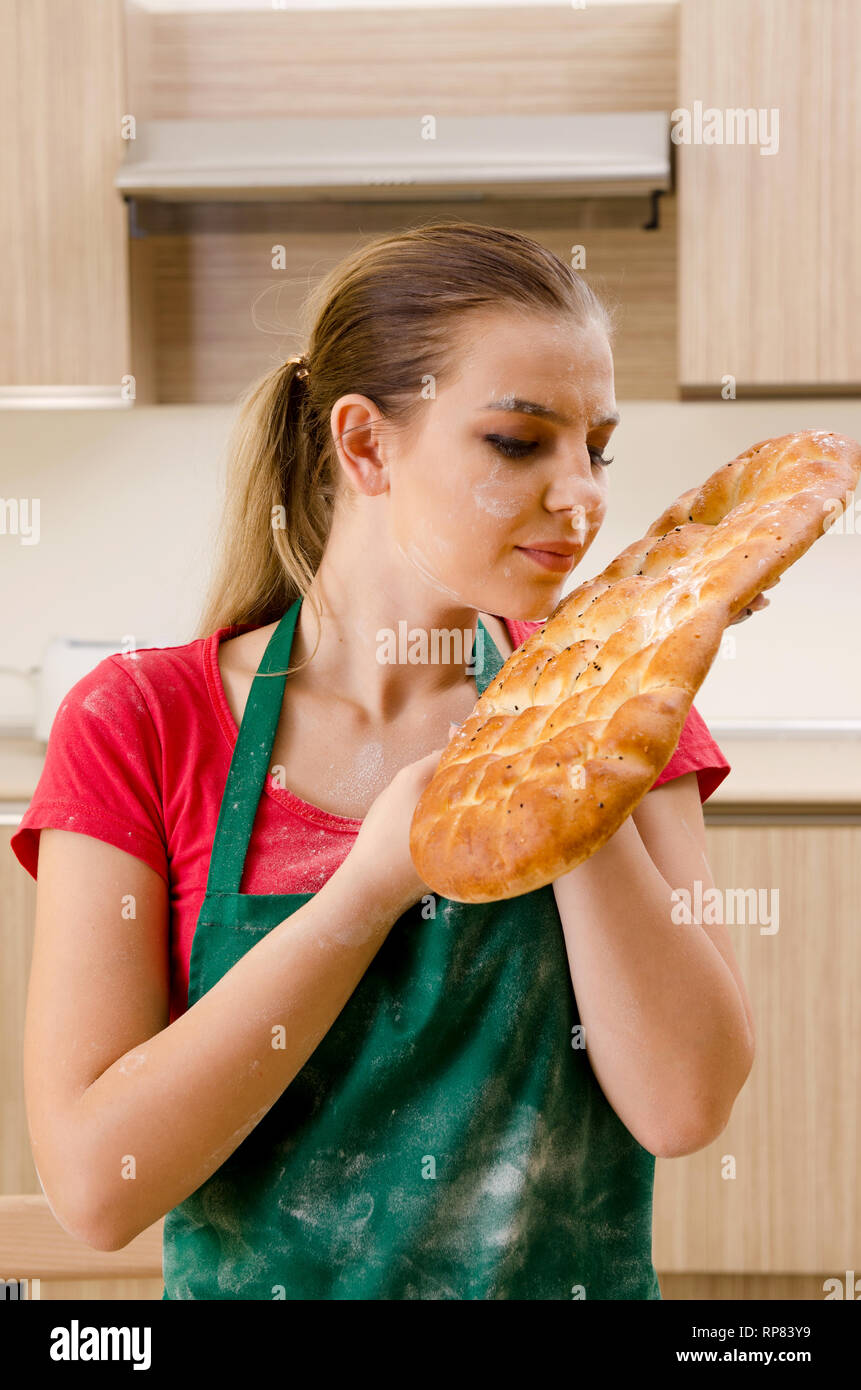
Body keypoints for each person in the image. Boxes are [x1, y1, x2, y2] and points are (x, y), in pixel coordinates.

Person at [13, 221, 761, 1300]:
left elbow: (685, 1104)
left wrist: (558, 755)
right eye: (519, 443)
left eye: (596, 447)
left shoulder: (627, 704)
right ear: (365, 447)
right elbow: (96, 1186)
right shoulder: (140, 720)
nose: (583, 493)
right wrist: (369, 886)